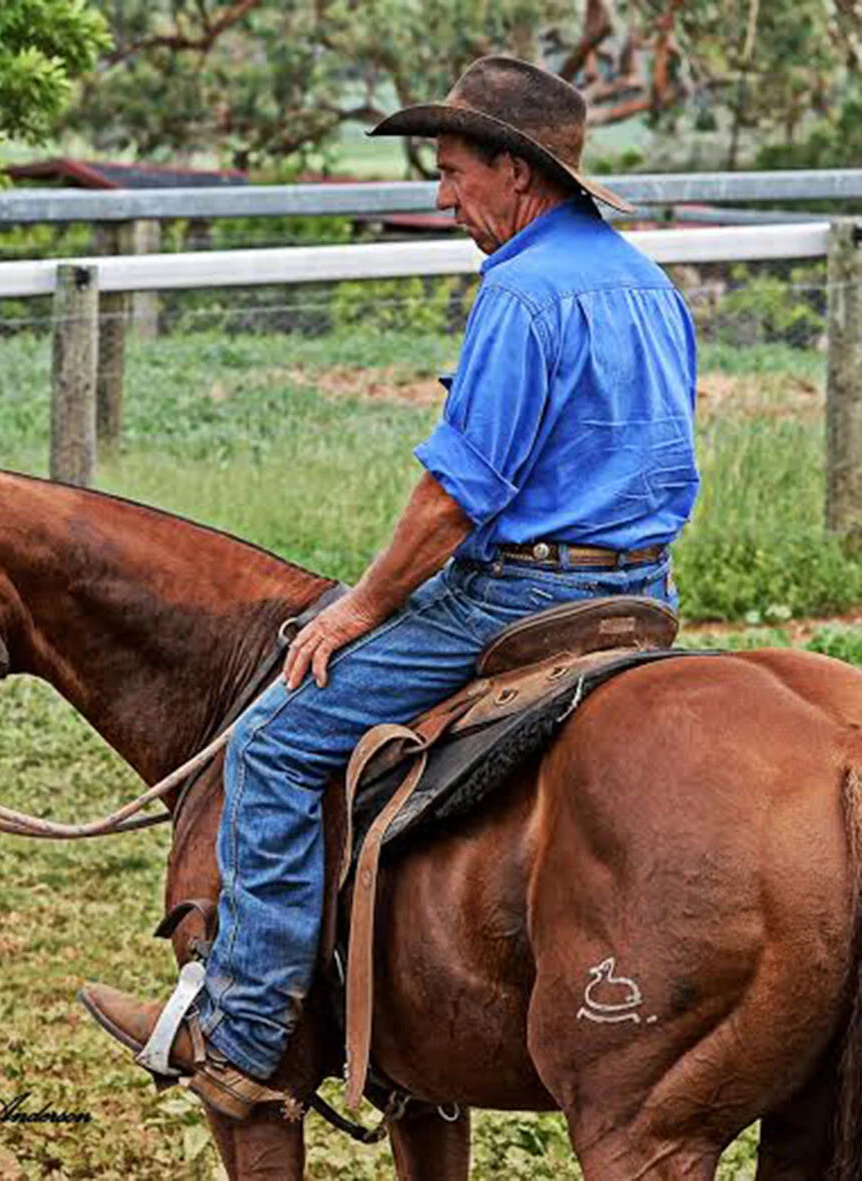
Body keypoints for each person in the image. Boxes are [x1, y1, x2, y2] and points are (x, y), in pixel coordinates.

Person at [79, 54, 700, 1120]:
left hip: (520, 597)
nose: (441, 196)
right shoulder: (644, 281)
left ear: (517, 172)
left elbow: (453, 497)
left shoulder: (519, 290)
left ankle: (246, 1022)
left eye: (454, 172)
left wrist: (358, 606)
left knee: (272, 743)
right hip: (638, 591)